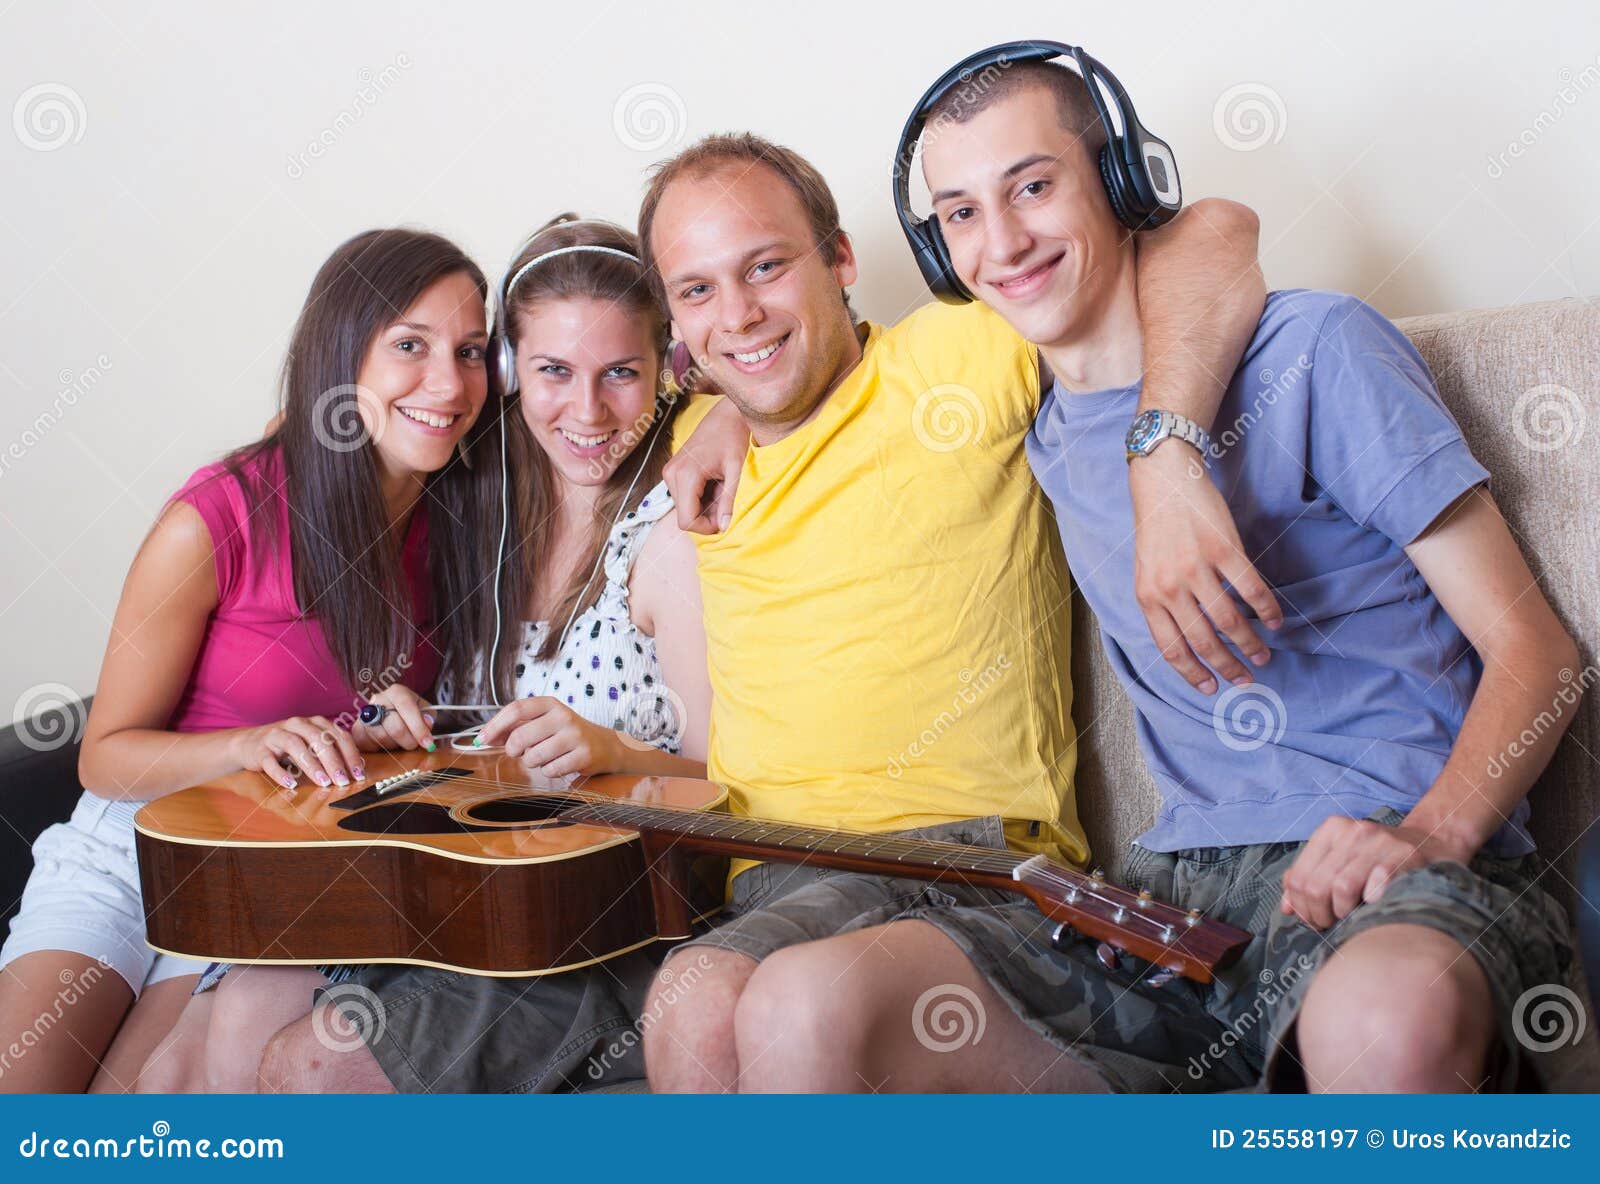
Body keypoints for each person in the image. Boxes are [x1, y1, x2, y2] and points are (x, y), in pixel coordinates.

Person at [727, 53, 1582, 1093]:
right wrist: (718, 416)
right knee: (800, 999)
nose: (1002, 242)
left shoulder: (1315, 349)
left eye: (1033, 186)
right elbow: (812, 383)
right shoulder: (1025, 420)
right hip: (1172, 913)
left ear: (1124, 182)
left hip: (1385, 873)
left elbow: (1539, 652)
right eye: (960, 213)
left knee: (1380, 1018)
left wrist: (1429, 831)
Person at [627, 128, 1269, 1092]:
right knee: (688, 1001)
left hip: (968, 870)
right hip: (774, 874)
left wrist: (1168, 452)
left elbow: (1215, 232)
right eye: (698, 290)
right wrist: (725, 409)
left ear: (841, 259)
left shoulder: (958, 355)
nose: (739, 313)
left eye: (766, 267)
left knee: (790, 1003)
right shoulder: (693, 448)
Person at [214, 216, 712, 1095]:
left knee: (316, 1067)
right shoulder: (478, 496)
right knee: (242, 1007)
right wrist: (389, 723)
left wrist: (613, 752)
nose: (587, 411)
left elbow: (722, 780)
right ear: (510, 371)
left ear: (664, 368)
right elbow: (316, 439)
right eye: (553, 371)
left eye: (621, 372)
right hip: (466, 891)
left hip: (599, 921)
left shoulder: (668, 535)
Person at [0, 228, 497, 1092]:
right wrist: (248, 744)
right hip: (132, 850)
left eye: (472, 351)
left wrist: (382, 726)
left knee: (142, 1121)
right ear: (341, 357)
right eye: (410, 346)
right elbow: (104, 756)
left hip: (269, 869)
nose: (449, 383)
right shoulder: (217, 517)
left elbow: (615, 380)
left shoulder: (467, 519)